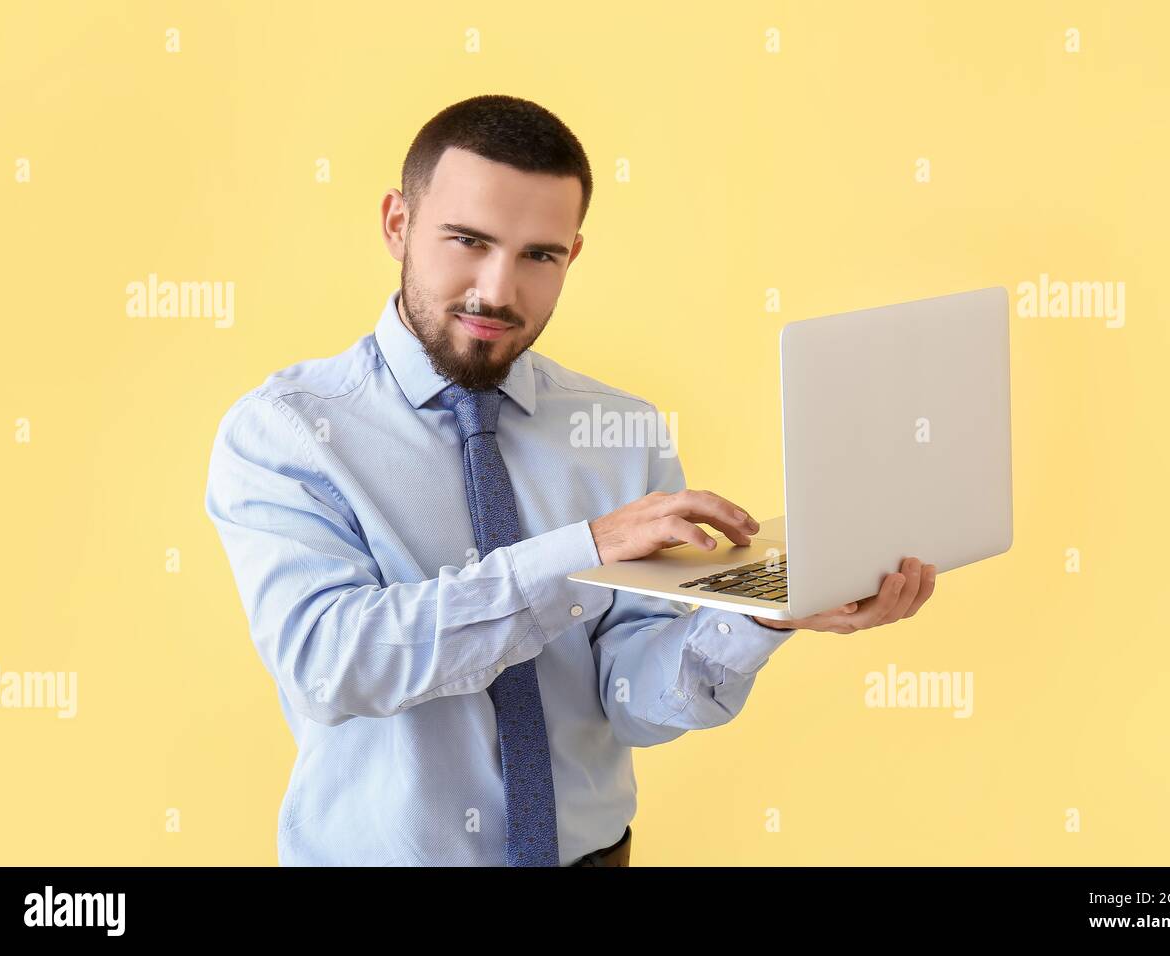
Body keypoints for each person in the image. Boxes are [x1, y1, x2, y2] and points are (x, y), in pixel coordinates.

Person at [204, 94, 937, 866]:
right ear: (397, 224)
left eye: (539, 256)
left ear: (572, 255)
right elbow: (331, 664)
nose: (498, 289)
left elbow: (631, 702)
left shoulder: (622, 431)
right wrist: (584, 552)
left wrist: (763, 616)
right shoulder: (289, 432)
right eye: (468, 240)